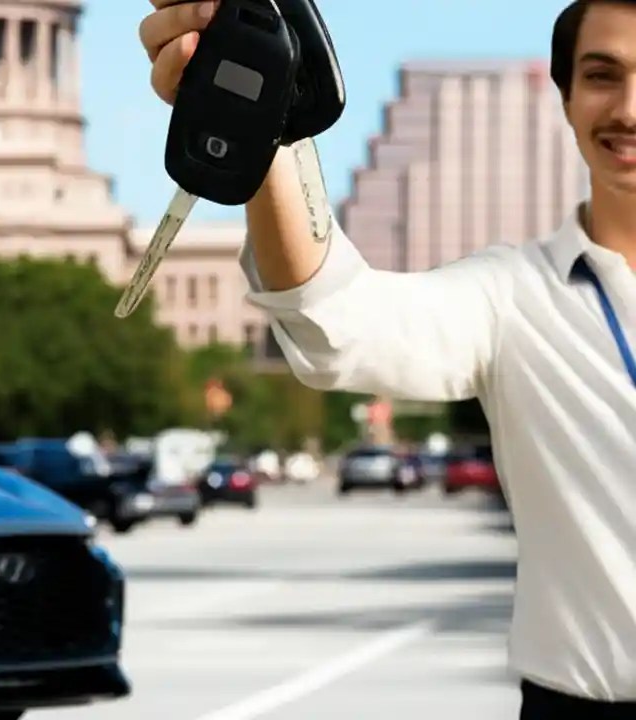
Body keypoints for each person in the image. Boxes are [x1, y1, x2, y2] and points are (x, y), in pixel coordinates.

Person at [139, 0, 636, 717]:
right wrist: (266, 112)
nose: (628, 108)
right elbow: (336, 321)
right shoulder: (520, 298)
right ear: (566, 98)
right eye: (602, 75)